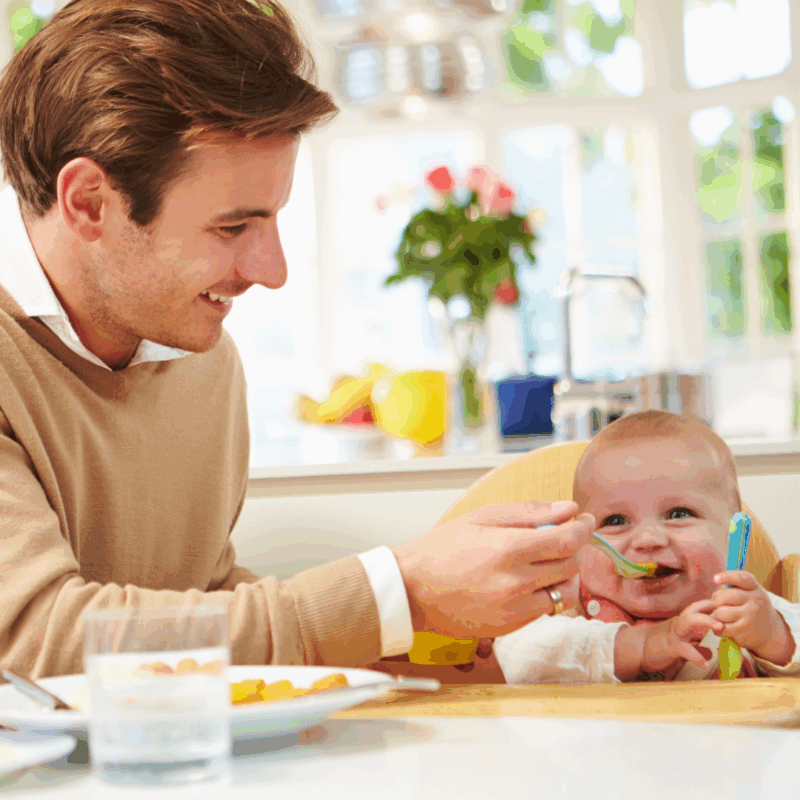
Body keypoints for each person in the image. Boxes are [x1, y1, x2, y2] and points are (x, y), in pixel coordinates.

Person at [0, 0, 594, 678]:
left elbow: (198, 607)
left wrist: (429, 637)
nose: (272, 270)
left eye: (273, 220)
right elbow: (36, 641)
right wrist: (399, 593)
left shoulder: (201, 364)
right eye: (232, 227)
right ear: (88, 202)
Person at [492, 410, 800, 683]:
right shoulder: (568, 604)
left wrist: (774, 637)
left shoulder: (742, 608)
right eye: (615, 520)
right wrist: (639, 646)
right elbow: (515, 653)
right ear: (580, 542)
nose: (648, 539)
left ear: (733, 533)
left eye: (678, 514)